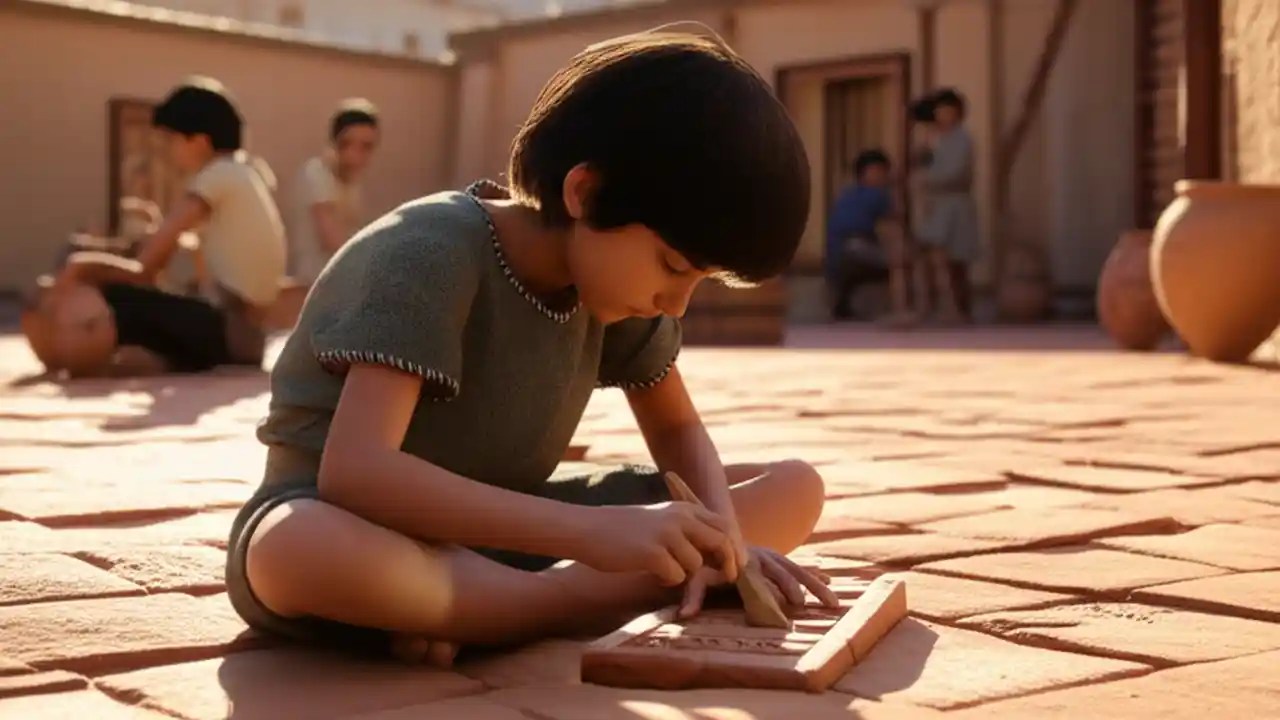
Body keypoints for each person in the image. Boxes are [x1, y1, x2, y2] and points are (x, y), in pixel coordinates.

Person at [226, 29, 836, 667]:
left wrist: (726, 546)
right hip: (359, 524)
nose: (677, 303)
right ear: (586, 194)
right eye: (673, 266)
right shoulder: (431, 251)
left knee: (793, 488)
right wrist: (592, 535)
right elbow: (356, 474)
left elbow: (677, 427)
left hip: (507, 533)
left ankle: (488, 610)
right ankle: (562, 604)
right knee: (291, 548)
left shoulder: (605, 284)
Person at [26, 76, 286, 376]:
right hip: (248, 339)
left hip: (227, 332)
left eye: (171, 141)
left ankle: (71, 351)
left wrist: (80, 266)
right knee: (152, 306)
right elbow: (176, 255)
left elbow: (144, 269)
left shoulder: (215, 177)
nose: (168, 152)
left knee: (113, 295)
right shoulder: (244, 174)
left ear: (199, 141)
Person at [289, 98, 380, 286]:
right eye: (347, 144)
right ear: (334, 143)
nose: (355, 154)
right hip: (317, 287)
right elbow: (333, 240)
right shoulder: (316, 175)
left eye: (366, 147)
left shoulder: (350, 182)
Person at [914, 88, 980, 324]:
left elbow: (957, 173)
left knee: (957, 262)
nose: (943, 115)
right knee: (936, 257)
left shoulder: (963, 139)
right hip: (936, 205)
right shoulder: (933, 138)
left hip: (956, 202)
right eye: (940, 111)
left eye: (948, 110)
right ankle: (940, 307)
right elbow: (921, 164)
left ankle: (961, 309)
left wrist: (927, 180)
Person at [825, 149, 913, 324]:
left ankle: (842, 306)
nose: (884, 176)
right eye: (881, 171)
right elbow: (894, 223)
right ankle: (899, 309)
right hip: (854, 248)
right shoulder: (877, 194)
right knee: (899, 261)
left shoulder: (847, 194)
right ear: (867, 173)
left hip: (836, 252)